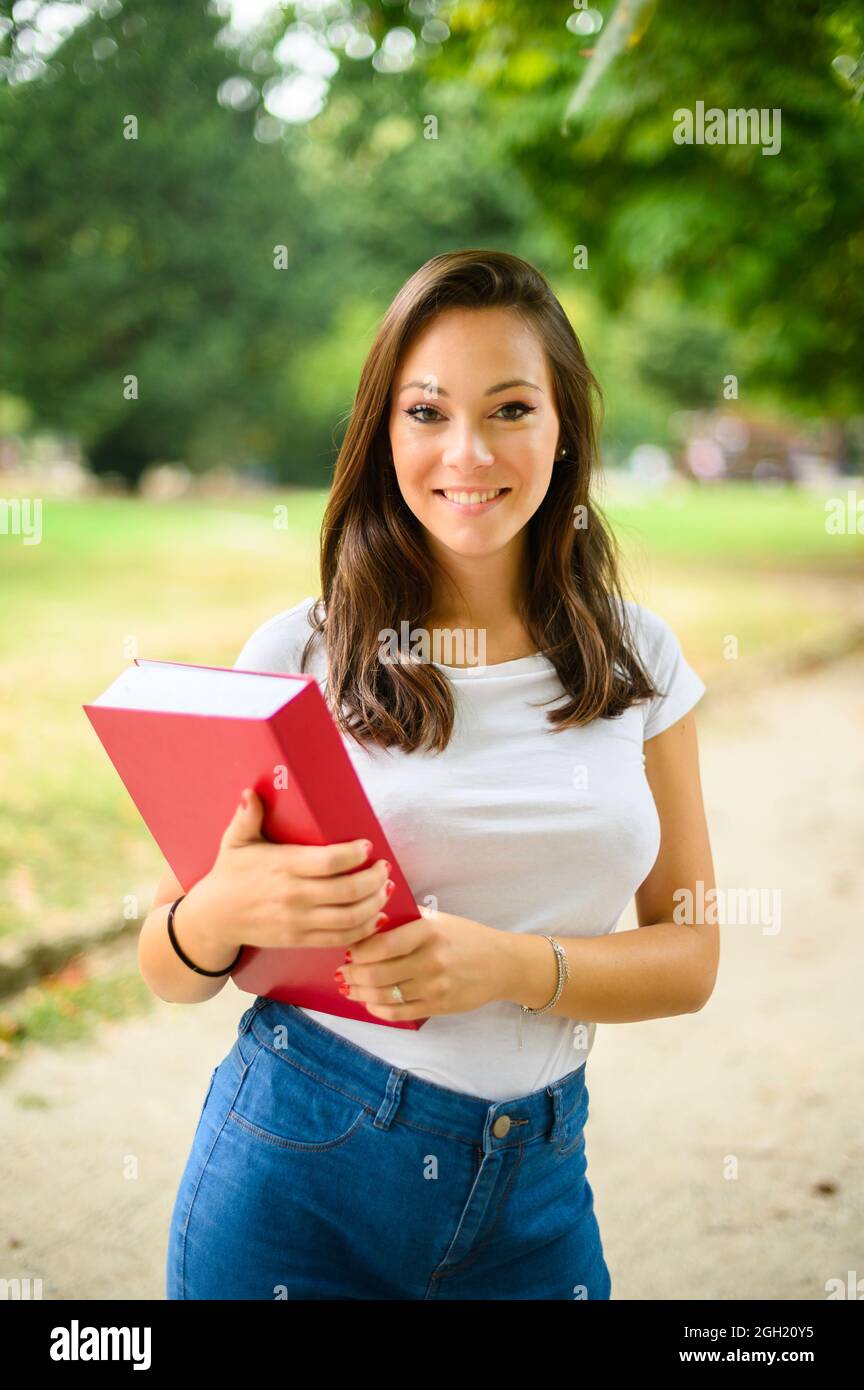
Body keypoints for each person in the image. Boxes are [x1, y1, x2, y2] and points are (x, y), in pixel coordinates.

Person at [140, 249, 718, 1300]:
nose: (467, 451)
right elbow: (170, 965)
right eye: (425, 411)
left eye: (509, 408)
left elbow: (691, 955)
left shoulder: (640, 659)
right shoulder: (297, 656)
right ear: (383, 432)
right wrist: (217, 907)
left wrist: (511, 966)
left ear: (563, 429)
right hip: (300, 1166)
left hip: (537, 1189)